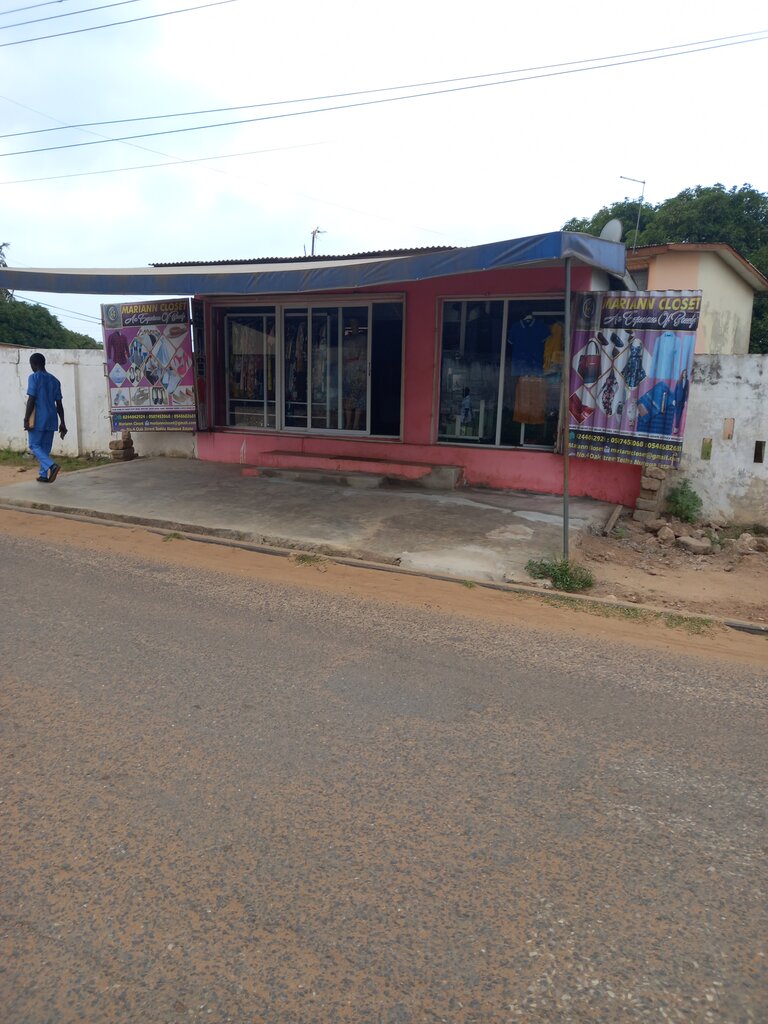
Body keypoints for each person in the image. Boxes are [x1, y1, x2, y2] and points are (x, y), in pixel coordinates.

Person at [23, 353, 67, 483]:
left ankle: (52, 466)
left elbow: (32, 399)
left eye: (31, 364)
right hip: (52, 418)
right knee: (45, 447)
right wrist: (63, 422)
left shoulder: (34, 377)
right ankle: (43, 475)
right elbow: (59, 404)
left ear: (34, 364)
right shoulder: (55, 380)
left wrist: (26, 419)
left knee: (34, 445)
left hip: (39, 418)